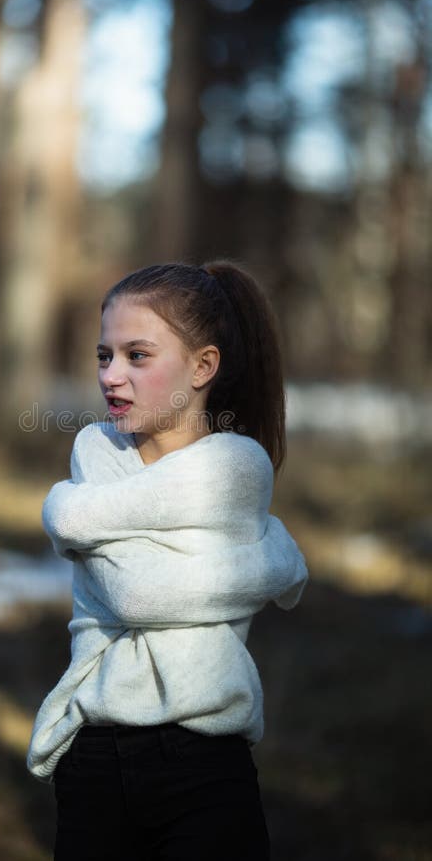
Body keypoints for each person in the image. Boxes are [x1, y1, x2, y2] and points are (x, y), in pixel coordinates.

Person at [26, 260, 309, 860]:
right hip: (95, 755)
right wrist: (275, 561)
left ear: (203, 367)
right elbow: (135, 593)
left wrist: (69, 511)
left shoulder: (237, 463)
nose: (112, 375)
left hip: (203, 757)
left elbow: (140, 595)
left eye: (137, 355)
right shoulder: (96, 447)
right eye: (104, 356)